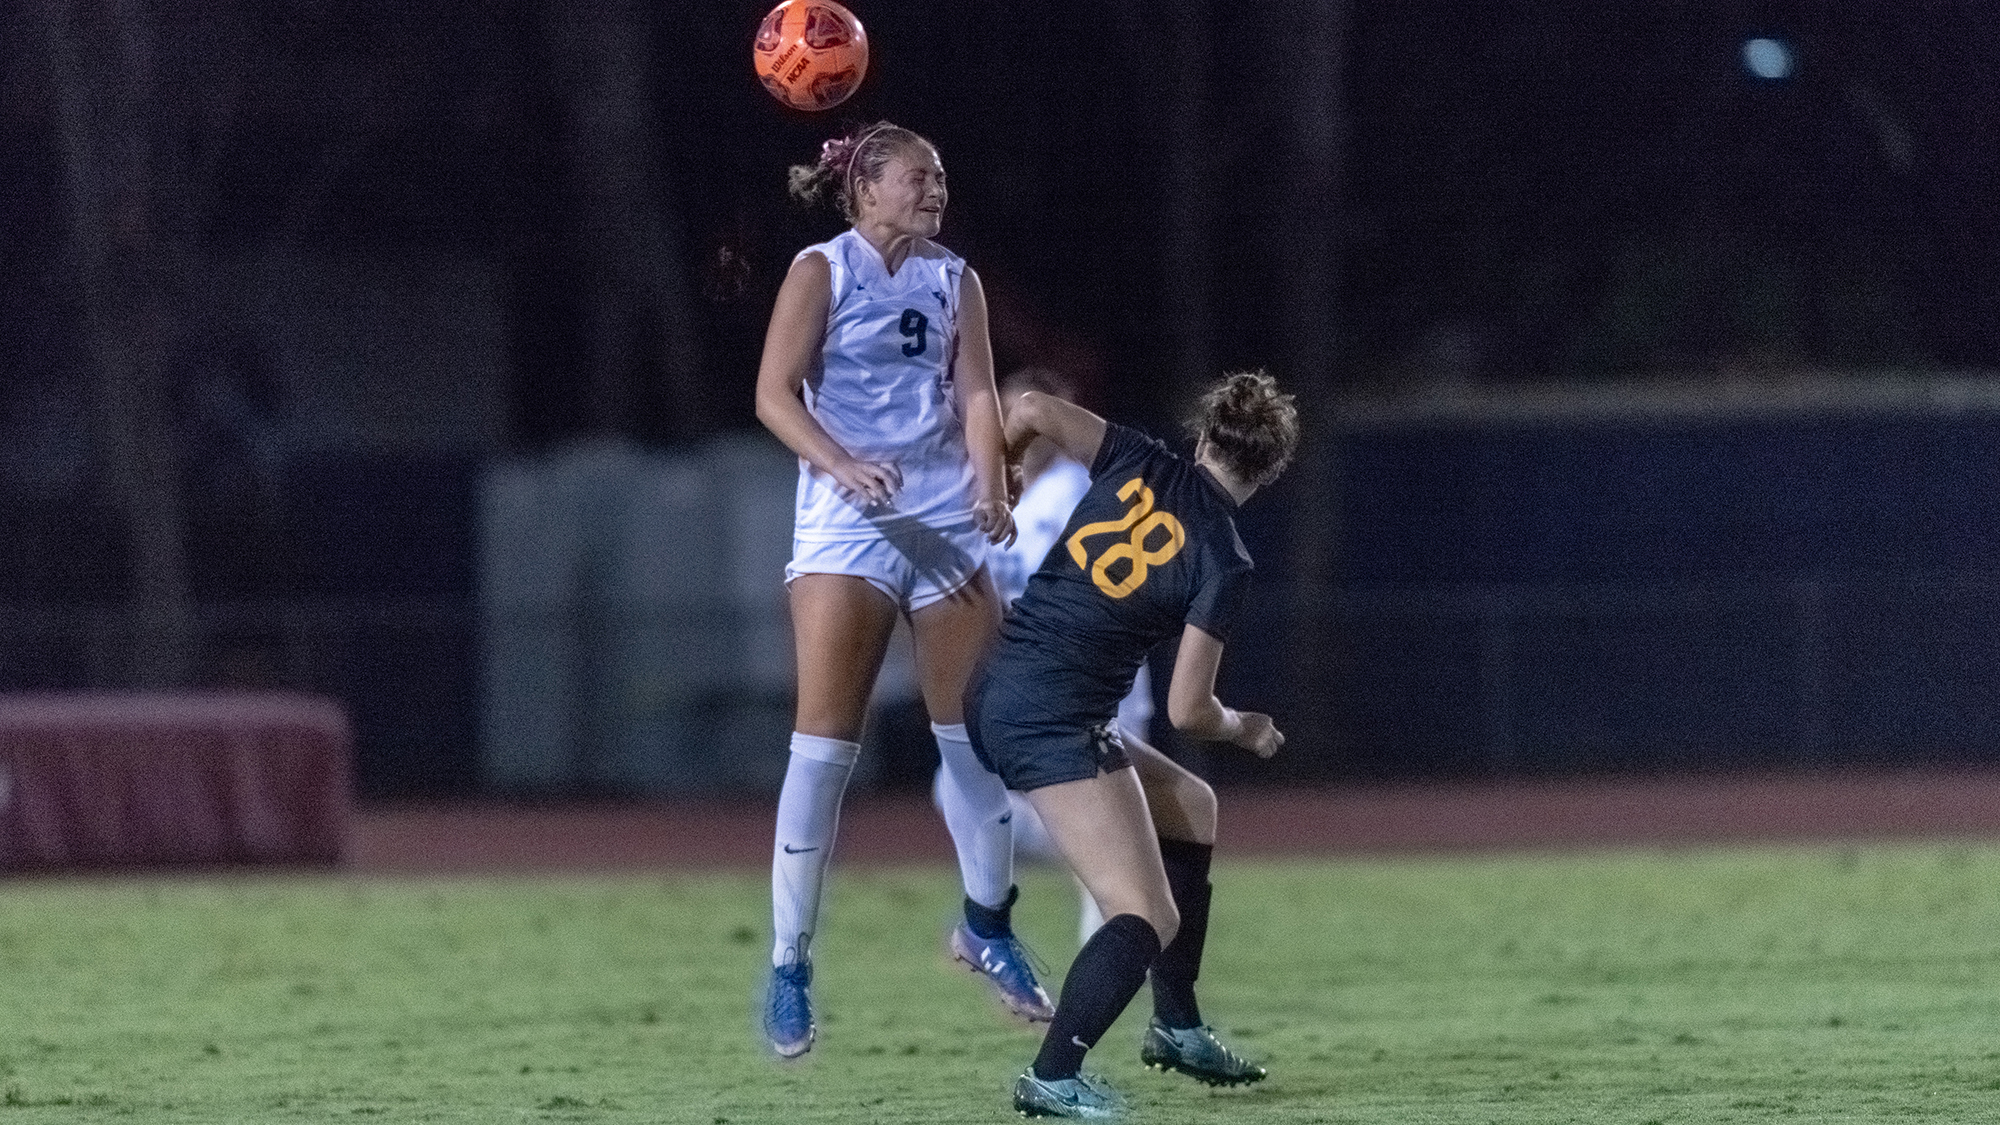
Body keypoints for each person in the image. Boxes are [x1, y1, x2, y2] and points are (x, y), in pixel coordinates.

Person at [752, 120, 1053, 1059]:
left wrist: (993, 485)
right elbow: (773, 393)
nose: (936, 189)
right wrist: (840, 463)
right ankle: (791, 962)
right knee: (824, 748)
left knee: (977, 740)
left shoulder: (953, 277)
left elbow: (975, 394)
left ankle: (987, 925)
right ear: (866, 189)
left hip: (940, 519)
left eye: (941, 174)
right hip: (848, 522)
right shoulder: (821, 269)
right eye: (919, 177)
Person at [965, 371, 1299, 1117]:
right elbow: (1189, 708)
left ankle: (1176, 1024)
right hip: (1052, 718)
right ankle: (1052, 1074)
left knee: (1191, 803)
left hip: (1002, 681)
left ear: (1204, 437)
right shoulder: (1223, 556)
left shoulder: (1141, 457)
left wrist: (1007, 468)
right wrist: (1246, 726)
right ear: (1269, 473)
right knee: (1145, 915)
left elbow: (1028, 408)